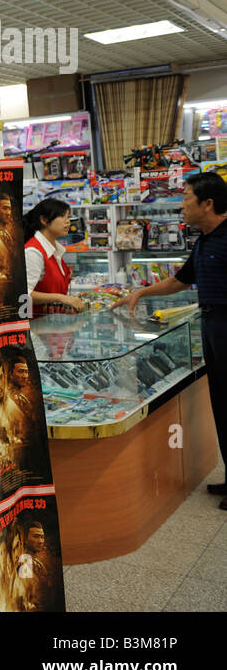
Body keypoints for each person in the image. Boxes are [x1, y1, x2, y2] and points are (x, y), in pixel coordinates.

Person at [115, 172, 227, 508]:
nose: (181, 206)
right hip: (211, 324)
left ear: (207, 203)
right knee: (222, 403)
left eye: (186, 198)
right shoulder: (205, 239)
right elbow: (181, 281)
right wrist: (142, 291)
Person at [23, 198, 85, 313]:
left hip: (52, 324)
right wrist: (61, 298)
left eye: (68, 217)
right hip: (36, 326)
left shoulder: (55, 250)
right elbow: (24, 294)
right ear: (44, 220)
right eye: (63, 216)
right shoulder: (33, 251)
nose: (68, 222)